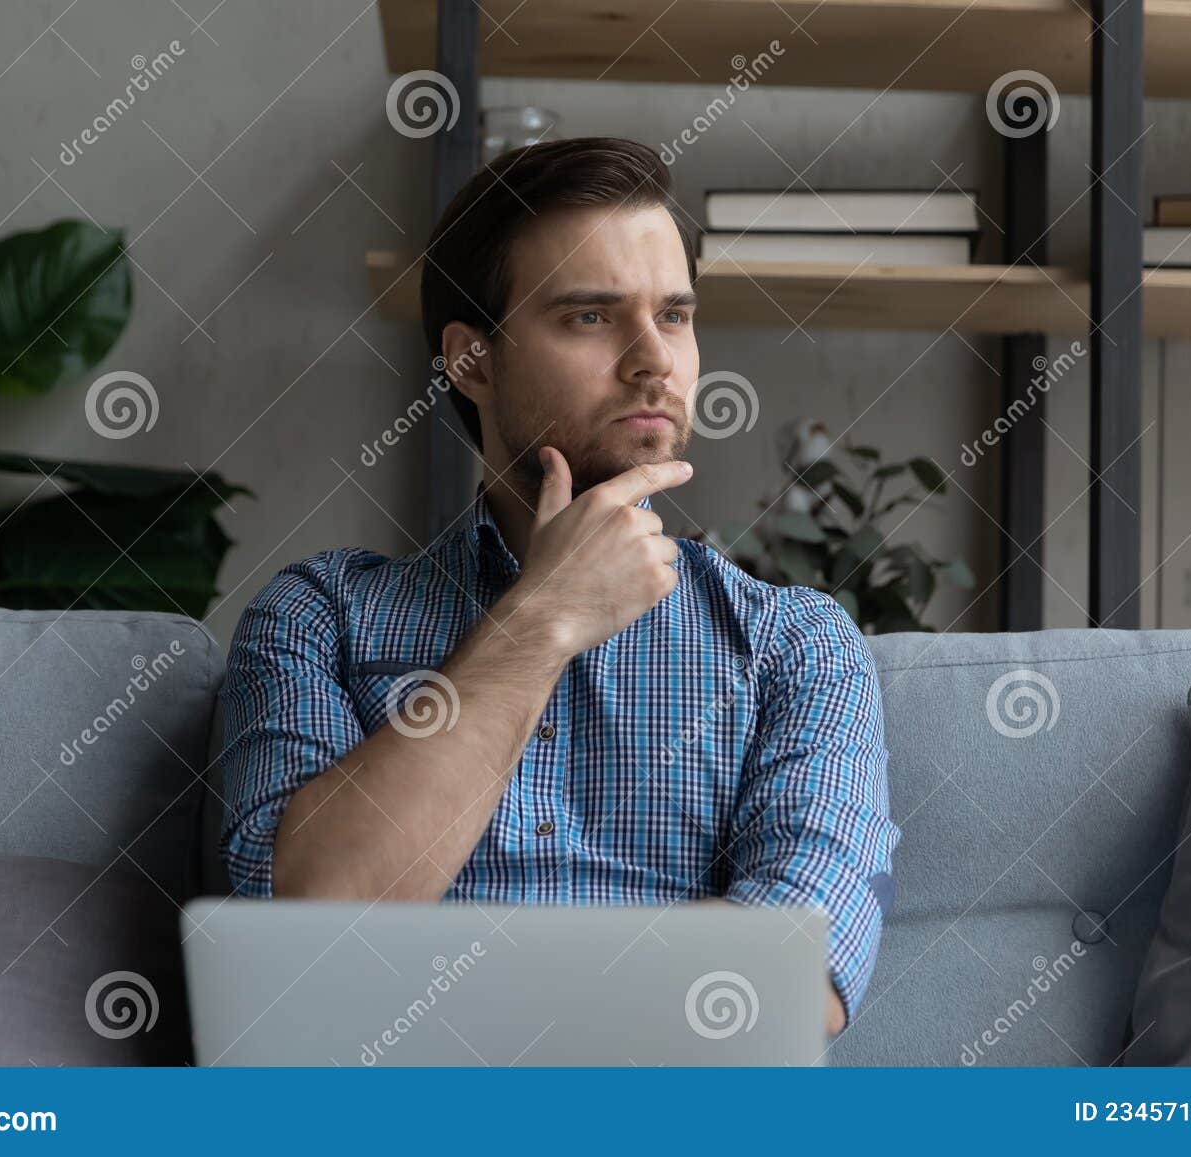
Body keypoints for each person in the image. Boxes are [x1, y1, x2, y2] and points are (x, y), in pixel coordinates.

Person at [220, 136, 900, 1040]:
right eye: (591, 317)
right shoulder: (320, 617)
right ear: (472, 360)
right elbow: (302, 938)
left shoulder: (796, 645)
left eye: (677, 315)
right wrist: (541, 621)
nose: (654, 359)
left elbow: (790, 982)